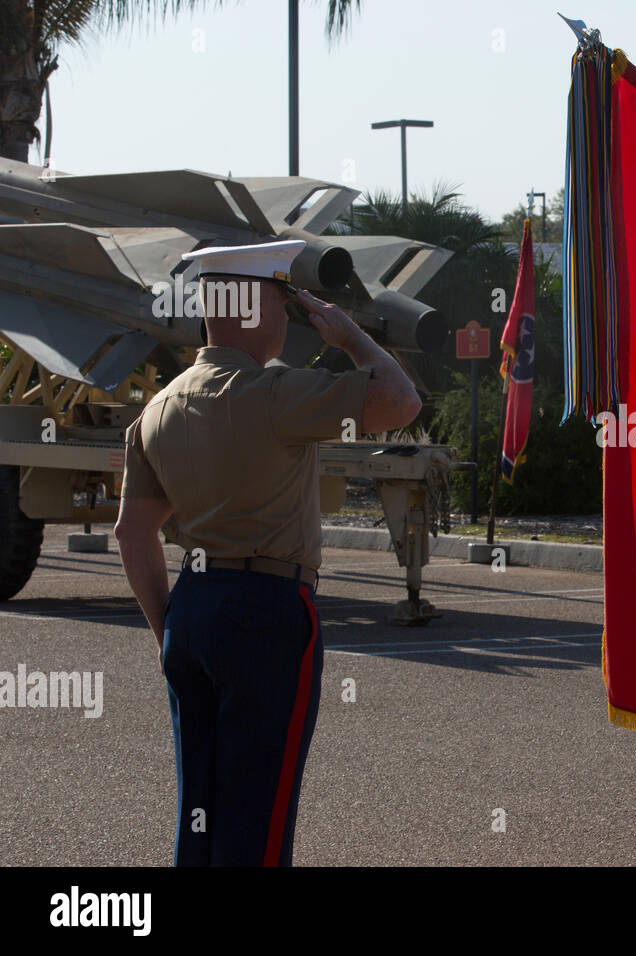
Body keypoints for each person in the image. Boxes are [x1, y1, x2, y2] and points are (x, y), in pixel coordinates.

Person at [114, 240, 422, 866]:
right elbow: (401, 400)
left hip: (191, 610)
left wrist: (167, 629)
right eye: (282, 302)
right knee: (259, 819)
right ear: (255, 308)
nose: (287, 318)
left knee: (197, 817)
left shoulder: (158, 408)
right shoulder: (274, 394)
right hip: (266, 611)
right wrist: (351, 339)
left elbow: (131, 531)